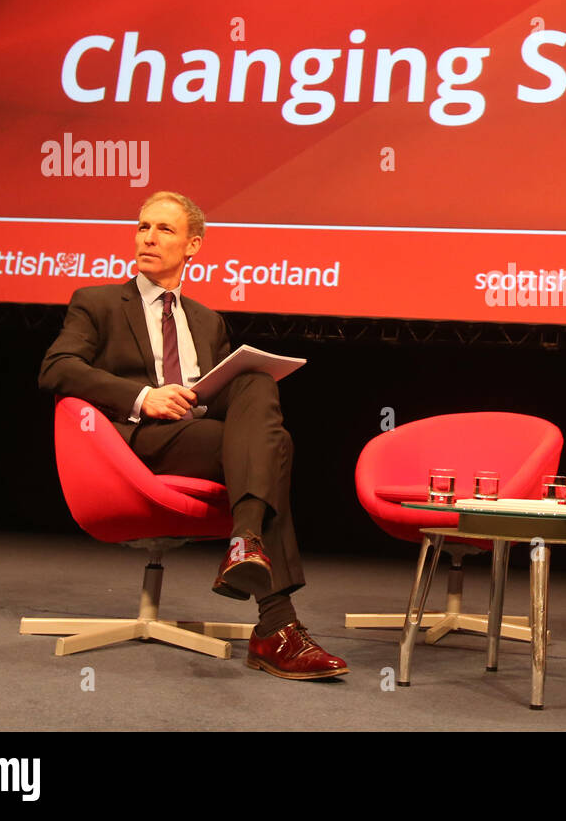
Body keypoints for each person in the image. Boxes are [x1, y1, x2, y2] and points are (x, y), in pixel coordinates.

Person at [39, 191, 349, 681]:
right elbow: (57, 369)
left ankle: (249, 552)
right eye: (143, 227)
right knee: (276, 447)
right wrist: (144, 396)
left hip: (196, 435)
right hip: (133, 445)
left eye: (164, 229)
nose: (148, 237)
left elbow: (220, 396)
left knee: (255, 383)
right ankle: (274, 622)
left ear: (193, 246)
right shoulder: (97, 302)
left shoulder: (207, 321)